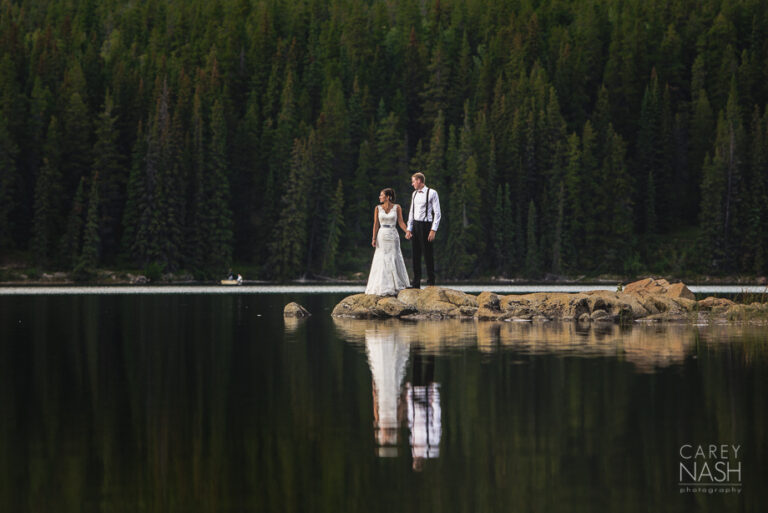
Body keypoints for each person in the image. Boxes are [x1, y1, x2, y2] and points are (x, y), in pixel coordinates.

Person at [365, 188, 411, 296]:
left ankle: (397, 284)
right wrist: (374, 238)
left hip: (393, 234)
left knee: (394, 256)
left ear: (388, 197)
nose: (379, 197)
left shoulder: (397, 207)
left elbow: (401, 222)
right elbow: (376, 224)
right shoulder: (377, 208)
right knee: (381, 258)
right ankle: (382, 286)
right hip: (382, 235)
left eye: (381, 195)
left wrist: (407, 231)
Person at [405, 172, 441, 288]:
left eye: (413, 181)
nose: (412, 184)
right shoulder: (414, 194)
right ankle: (416, 283)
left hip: (426, 225)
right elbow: (411, 212)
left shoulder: (432, 193)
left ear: (419, 181)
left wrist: (433, 229)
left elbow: (437, 213)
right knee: (416, 254)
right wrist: (409, 229)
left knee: (427, 254)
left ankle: (431, 282)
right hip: (415, 225)